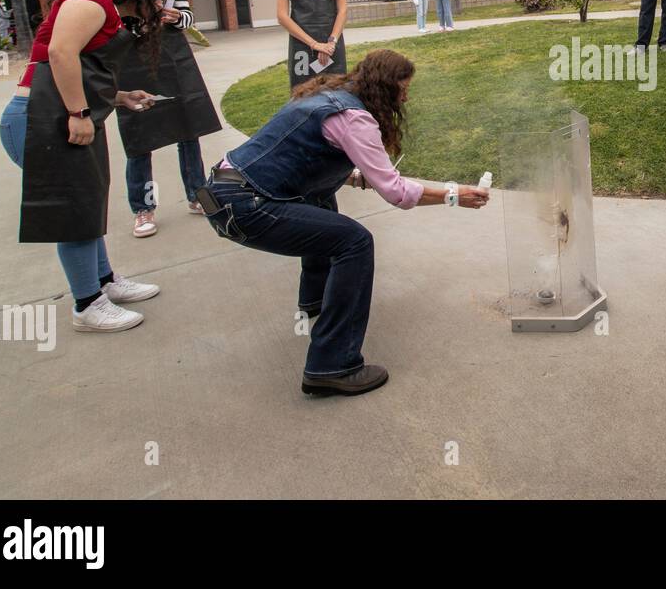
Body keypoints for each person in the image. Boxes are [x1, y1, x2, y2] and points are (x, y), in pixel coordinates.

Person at [196, 49, 490, 396]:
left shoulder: (326, 96)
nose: (406, 97)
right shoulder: (355, 118)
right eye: (403, 88)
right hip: (245, 206)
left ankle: (317, 303)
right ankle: (332, 364)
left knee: (322, 199)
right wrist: (453, 195)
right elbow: (396, 193)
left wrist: (350, 176)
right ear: (384, 88)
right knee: (354, 241)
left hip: (225, 192)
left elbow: (298, 158)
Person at [0, 0, 169, 332]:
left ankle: (103, 282)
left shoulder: (103, 9)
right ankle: (87, 304)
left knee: (88, 200)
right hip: (41, 118)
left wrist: (120, 97)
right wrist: (78, 113)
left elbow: (81, 66)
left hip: (62, 115)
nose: (158, 6)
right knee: (73, 209)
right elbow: (61, 54)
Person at [96, 0, 222, 239]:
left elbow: (188, 16)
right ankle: (143, 208)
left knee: (187, 127)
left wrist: (174, 17)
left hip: (171, 53)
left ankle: (196, 193)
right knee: (139, 133)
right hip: (130, 57)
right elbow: (102, 22)